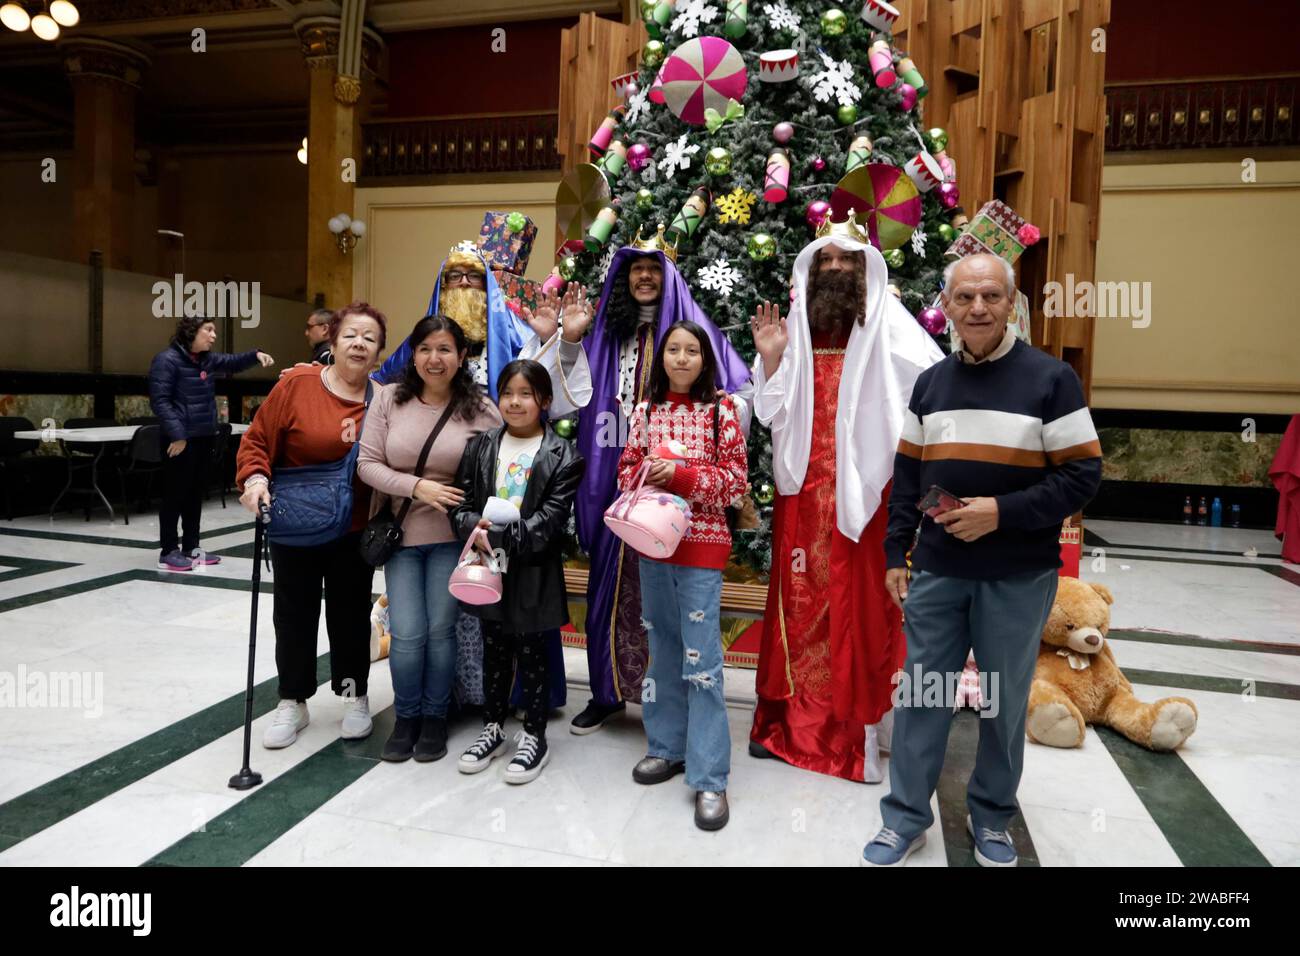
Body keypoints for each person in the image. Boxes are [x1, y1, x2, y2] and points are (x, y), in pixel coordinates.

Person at [861, 253, 1102, 866]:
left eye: (990, 296)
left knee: (1000, 698)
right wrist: (896, 551)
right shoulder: (932, 383)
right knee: (922, 697)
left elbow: (1082, 476)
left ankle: (992, 817)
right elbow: (908, 477)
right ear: (946, 304)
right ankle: (905, 819)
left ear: (1011, 303)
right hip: (939, 571)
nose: (977, 308)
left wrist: (1001, 511)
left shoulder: (1052, 381)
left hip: (1018, 574)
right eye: (964, 297)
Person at [746, 220, 943, 783]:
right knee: (799, 602)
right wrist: (772, 360)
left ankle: (854, 730)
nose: (834, 270)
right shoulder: (796, 333)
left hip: (867, 496)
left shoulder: (892, 327)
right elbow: (769, 414)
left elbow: (928, 390)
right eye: (825, 261)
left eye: (846, 261)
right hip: (802, 496)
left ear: (865, 271)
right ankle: (784, 723)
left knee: (857, 608)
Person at [373, 242, 592, 712]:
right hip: (428, 515)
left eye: (473, 277)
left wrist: (555, 340)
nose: (464, 286)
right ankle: (439, 705)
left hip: (501, 506)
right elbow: (375, 394)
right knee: (433, 622)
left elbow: (544, 389)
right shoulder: (421, 348)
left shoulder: (516, 331)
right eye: (454, 277)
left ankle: (509, 700)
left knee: (498, 608)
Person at [572, 226, 753, 734]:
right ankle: (608, 692)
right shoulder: (604, 334)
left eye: (654, 269)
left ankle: (686, 722)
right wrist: (567, 338)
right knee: (609, 583)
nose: (645, 277)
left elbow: (741, 397)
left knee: (683, 622)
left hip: (690, 511)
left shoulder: (693, 336)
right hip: (618, 478)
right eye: (636, 270)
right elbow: (567, 395)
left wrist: (688, 457)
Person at [617, 321, 748, 830]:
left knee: (703, 660)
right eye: (673, 349)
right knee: (663, 651)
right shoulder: (645, 411)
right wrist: (650, 470)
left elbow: (736, 481)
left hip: (703, 549)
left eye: (692, 350)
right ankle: (667, 747)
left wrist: (685, 474)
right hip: (653, 544)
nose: (681, 358)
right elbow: (626, 469)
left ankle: (711, 775)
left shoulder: (723, 413)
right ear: (662, 357)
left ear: (704, 359)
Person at [236, 303, 384, 748]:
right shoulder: (297, 384)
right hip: (294, 522)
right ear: (332, 342)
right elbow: (257, 440)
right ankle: (293, 701)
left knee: (351, 614)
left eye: (370, 338)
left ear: (379, 351)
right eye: (351, 335)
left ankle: (353, 693)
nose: (359, 344)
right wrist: (255, 478)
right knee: (294, 612)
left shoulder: (383, 399)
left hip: (354, 525)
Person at [357, 315, 502, 762]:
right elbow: (367, 464)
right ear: (412, 354)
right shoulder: (388, 402)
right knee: (407, 634)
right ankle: (407, 718)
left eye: (444, 350)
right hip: (400, 534)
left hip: (452, 540)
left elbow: (501, 465)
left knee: (440, 633)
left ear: (462, 358)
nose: (434, 359)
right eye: (424, 349)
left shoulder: (480, 408)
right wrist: (416, 487)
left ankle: (436, 719)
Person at [451, 359, 585, 783]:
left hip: (533, 570)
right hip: (486, 568)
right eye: (507, 393)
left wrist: (506, 539)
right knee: (493, 649)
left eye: (525, 394)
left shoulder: (563, 454)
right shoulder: (481, 446)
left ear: (544, 401)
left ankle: (535, 734)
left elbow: (551, 517)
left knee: (532, 652)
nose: (514, 402)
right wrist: (472, 526)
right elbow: (460, 503)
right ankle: (492, 726)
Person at [148, 317, 273, 572]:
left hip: (203, 437)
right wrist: (178, 435)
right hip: (179, 440)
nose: (213, 335)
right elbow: (160, 401)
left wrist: (256, 354)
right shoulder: (167, 360)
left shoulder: (205, 359)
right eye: (208, 330)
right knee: (174, 495)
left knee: (194, 496)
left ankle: (191, 547)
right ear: (191, 332)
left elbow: (232, 361)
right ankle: (168, 550)